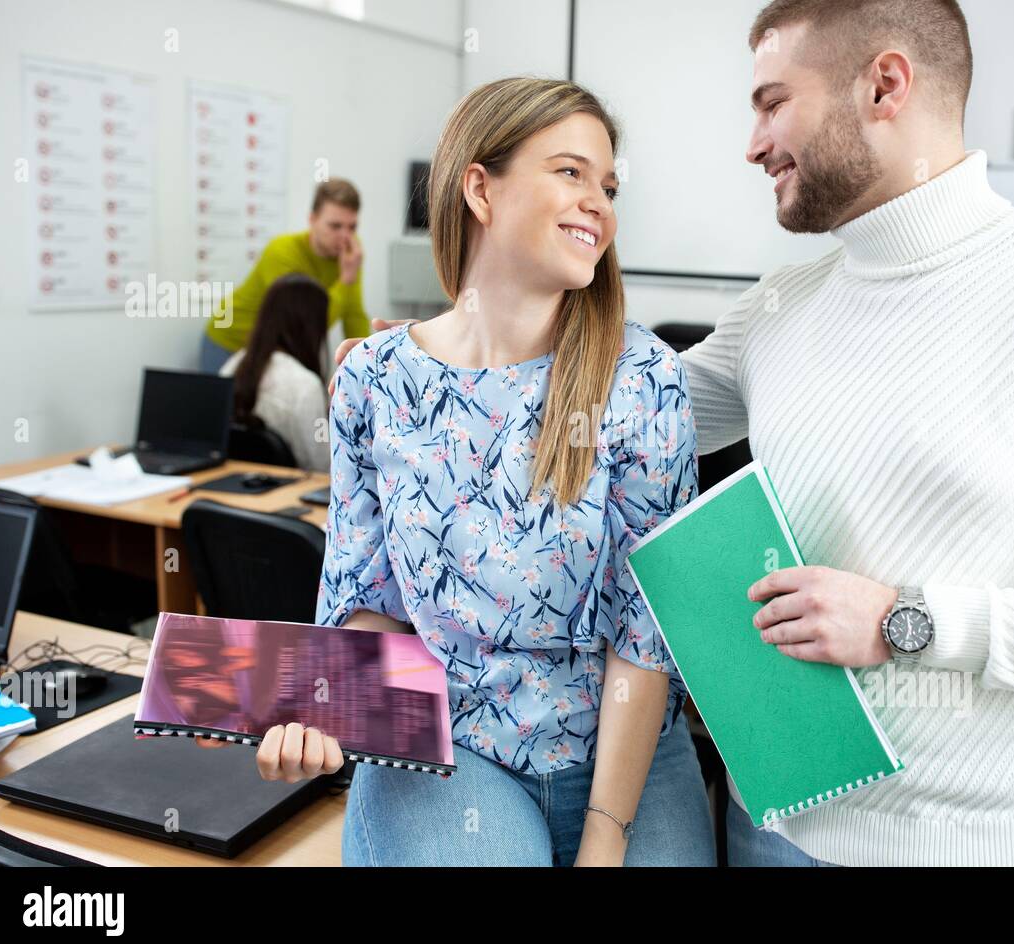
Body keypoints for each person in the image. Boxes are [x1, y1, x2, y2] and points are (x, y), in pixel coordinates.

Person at [333, 0, 1014, 868]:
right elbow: (585, 411)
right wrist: (411, 371)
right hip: (767, 827)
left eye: (772, 103)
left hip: (964, 845)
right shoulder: (780, 310)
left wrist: (908, 620)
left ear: (884, 86)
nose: (753, 142)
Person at [203, 77, 716, 868]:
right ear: (480, 188)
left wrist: (604, 838)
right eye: (571, 172)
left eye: (609, 187)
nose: (599, 204)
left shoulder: (644, 377)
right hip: (449, 738)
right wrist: (321, 715)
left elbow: (645, 634)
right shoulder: (374, 377)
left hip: (625, 747)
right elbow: (367, 600)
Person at [198, 178, 369, 373]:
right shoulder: (282, 252)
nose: (345, 236)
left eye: (352, 227)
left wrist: (366, 362)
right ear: (312, 220)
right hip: (230, 342)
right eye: (335, 226)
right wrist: (346, 280)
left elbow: (354, 314)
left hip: (273, 351)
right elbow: (303, 326)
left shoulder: (349, 253)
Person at [218, 273, 332, 472]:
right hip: (293, 488)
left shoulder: (232, 366)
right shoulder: (305, 385)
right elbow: (322, 465)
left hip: (235, 482)